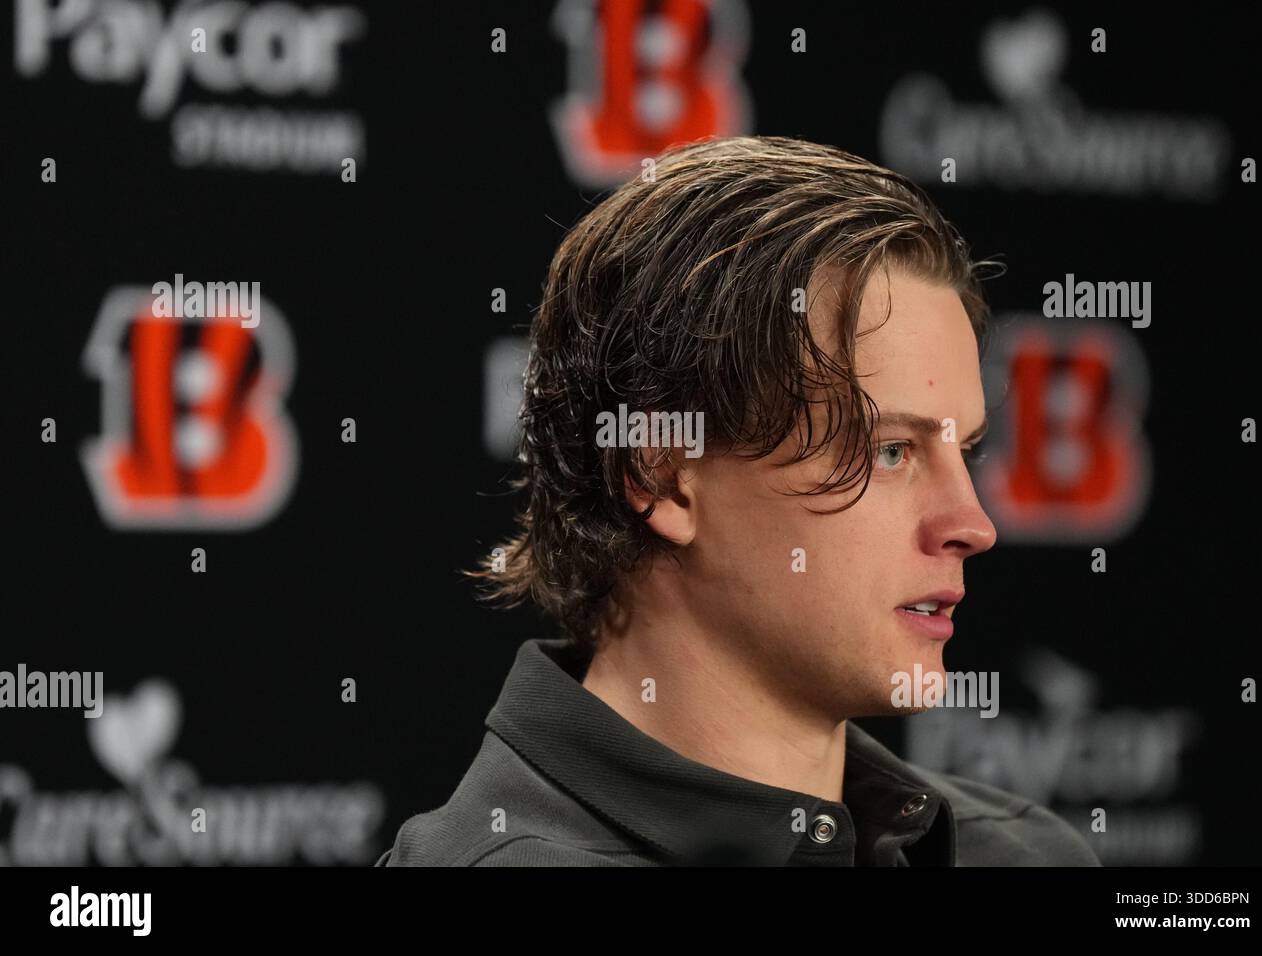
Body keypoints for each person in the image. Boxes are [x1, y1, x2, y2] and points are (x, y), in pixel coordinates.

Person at [378, 135, 1100, 866]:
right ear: (660, 476)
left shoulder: (1030, 855)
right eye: (890, 451)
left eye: (965, 451)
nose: (973, 524)